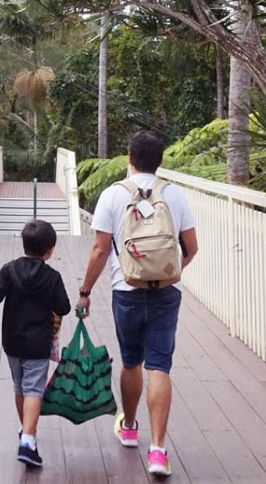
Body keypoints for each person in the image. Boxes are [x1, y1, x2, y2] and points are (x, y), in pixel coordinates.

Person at [74, 132, 198, 479]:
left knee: (131, 362)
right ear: (160, 161)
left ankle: (129, 428)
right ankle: (158, 451)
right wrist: (169, 271)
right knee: (159, 367)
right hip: (166, 293)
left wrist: (85, 291)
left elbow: (100, 250)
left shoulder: (113, 194)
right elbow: (191, 247)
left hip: (125, 289)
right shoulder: (174, 194)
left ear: (129, 158)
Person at [0, 220, 71, 468]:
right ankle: (27, 440)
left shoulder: (9, 270)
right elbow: (64, 307)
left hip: (12, 341)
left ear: (23, 245)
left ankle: (26, 429)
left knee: (20, 386)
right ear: (50, 250)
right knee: (34, 389)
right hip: (38, 344)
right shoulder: (52, 277)